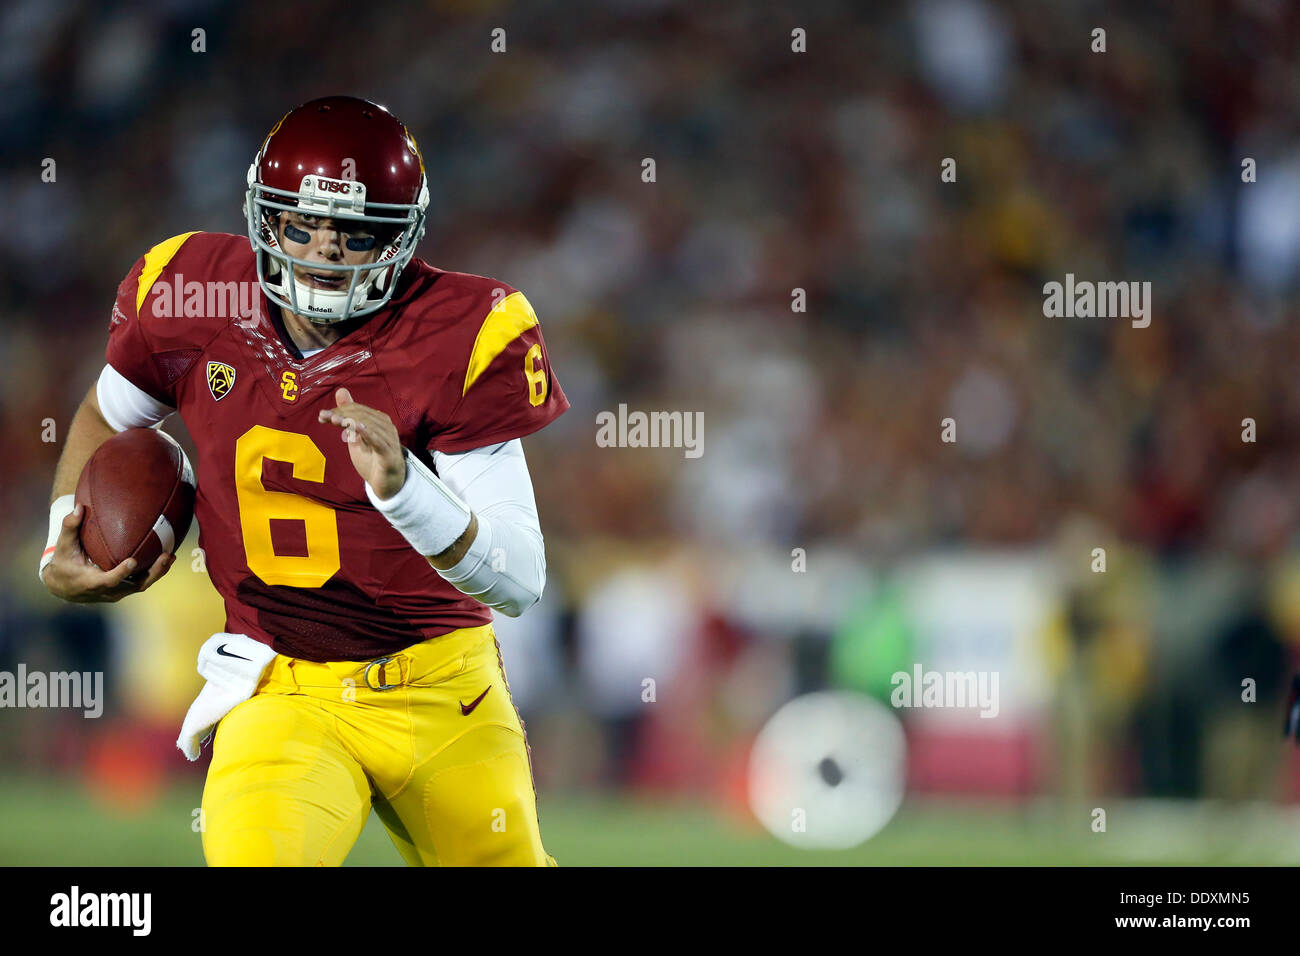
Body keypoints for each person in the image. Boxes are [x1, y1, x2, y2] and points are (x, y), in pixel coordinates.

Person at [38, 96, 568, 866]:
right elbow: (109, 413)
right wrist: (66, 530)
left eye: (356, 234)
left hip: (438, 682)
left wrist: (403, 490)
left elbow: (519, 581)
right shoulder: (191, 292)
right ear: (265, 217)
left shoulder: (462, 328)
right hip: (279, 685)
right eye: (303, 225)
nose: (324, 251)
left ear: (401, 237)